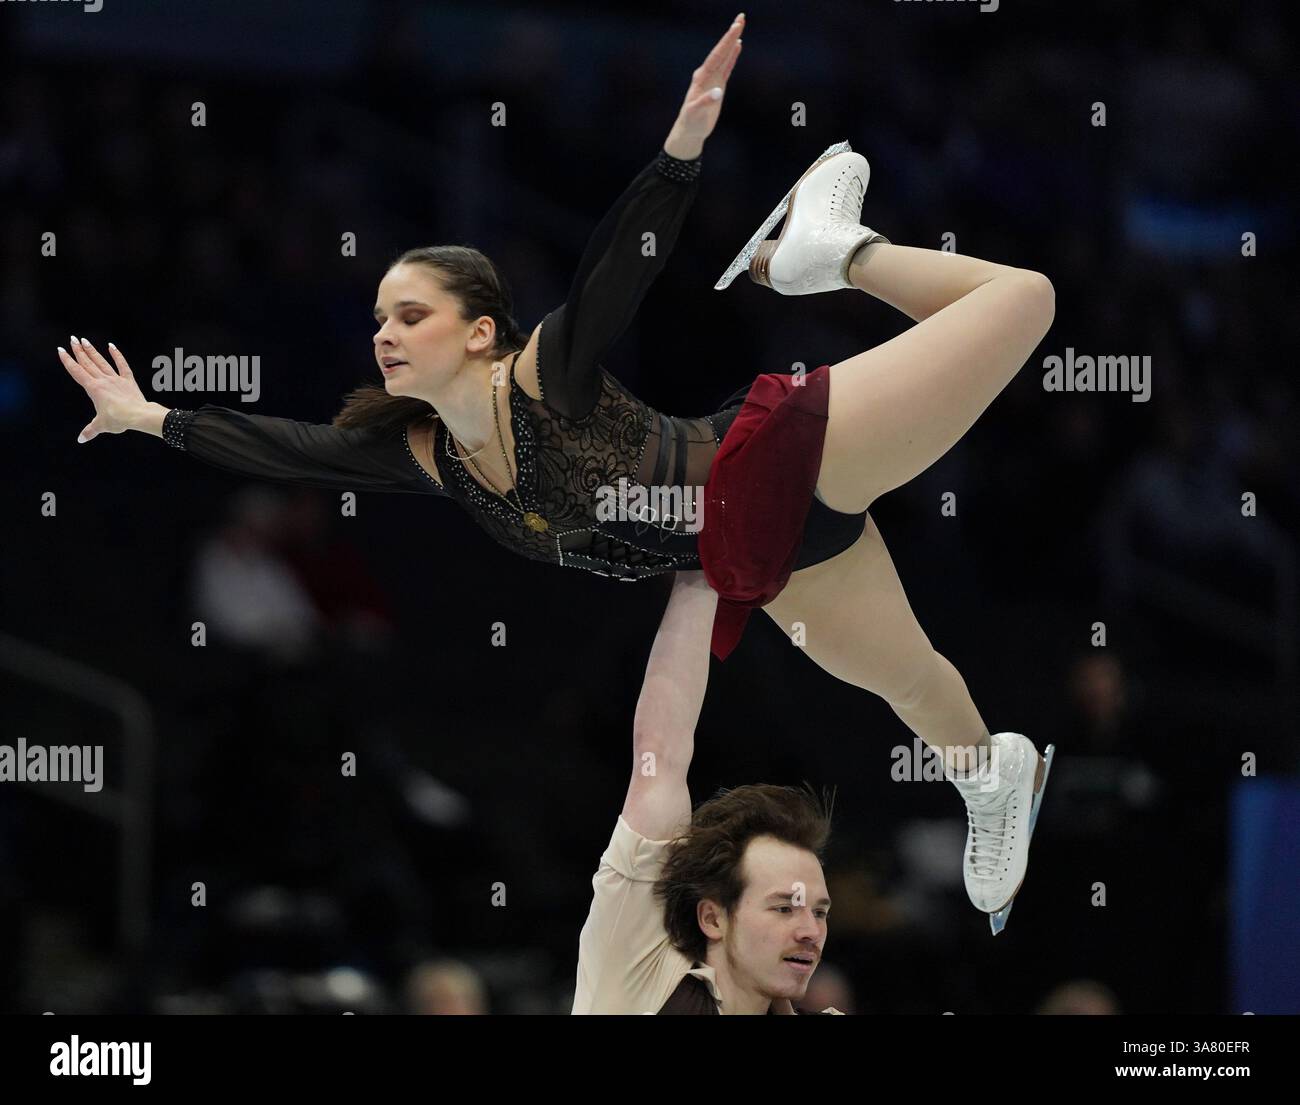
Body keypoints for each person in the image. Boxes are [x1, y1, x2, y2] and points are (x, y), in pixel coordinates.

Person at [59, 13, 1053, 927]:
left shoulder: (542, 381)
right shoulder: (434, 457)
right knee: (921, 692)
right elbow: (290, 448)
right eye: (378, 320)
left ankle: (837, 253)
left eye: (411, 314)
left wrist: (680, 151)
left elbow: (613, 272)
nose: (386, 334)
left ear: (482, 330)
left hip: (779, 458)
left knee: (1026, 301)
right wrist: (150, 417)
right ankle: (992, 776)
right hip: (763, 555)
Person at [572, 570, 840, 1015]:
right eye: (784, 909)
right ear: (713, 917)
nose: (810, 931)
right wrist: (702, 565)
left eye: (820, 912)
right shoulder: (637, 978)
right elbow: (659, 759)